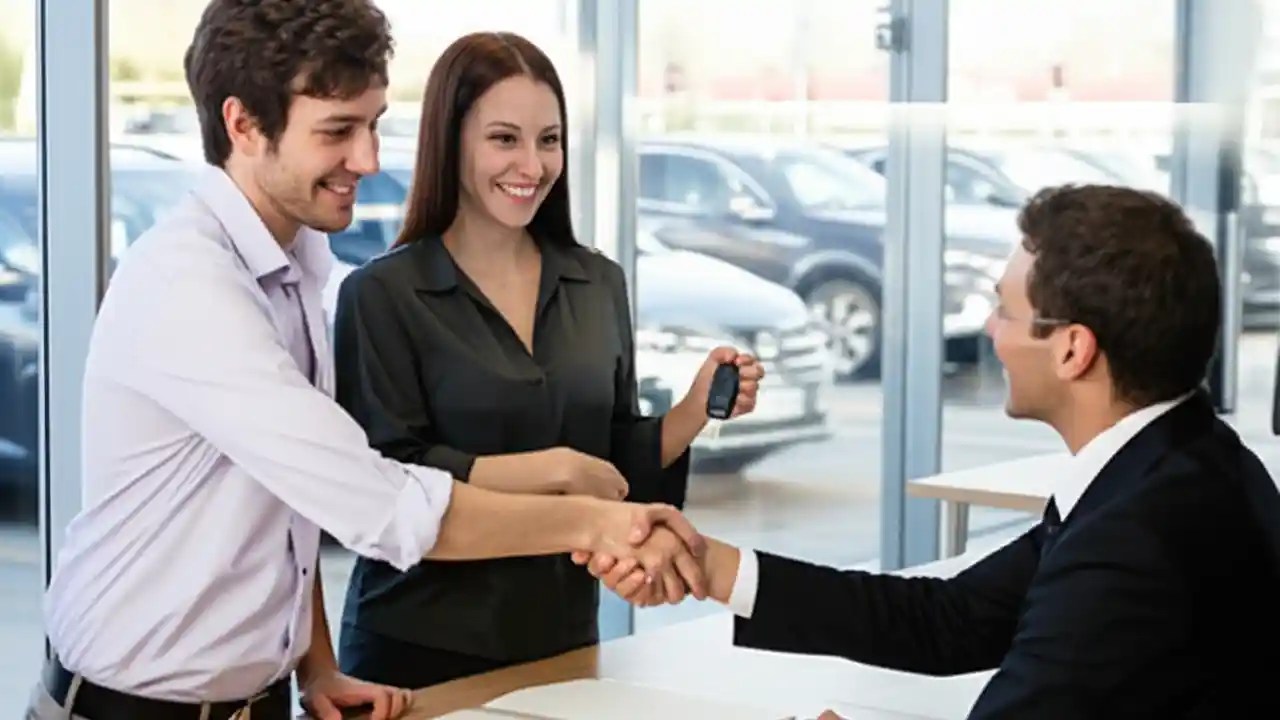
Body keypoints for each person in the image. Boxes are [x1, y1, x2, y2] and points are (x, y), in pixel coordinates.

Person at [27, 3, 706, 720]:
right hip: (125, 709)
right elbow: (376, 503)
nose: (370, 160)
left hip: (260, 703)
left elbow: (290, 502)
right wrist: (591, 524)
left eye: (373, 123)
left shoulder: (295, 270)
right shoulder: (190, 285)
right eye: (337, 131)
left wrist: (317, 669)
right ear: (244, 125)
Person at [579, 184, 1280, 717]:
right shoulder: (1180, 460)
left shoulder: (1136, 541)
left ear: (1073, 349)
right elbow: (949, 621)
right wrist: (711, 566)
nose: (989, 328)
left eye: (1005, 309)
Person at [331, 30, 764, 690]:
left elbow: (615, 467)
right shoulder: (382, 295)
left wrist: (691, 412)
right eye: (504, 139)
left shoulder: (599, 283)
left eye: (549, 139)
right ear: (451, 142)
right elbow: (391, 478)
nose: (532, 164)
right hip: (417, 648)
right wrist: (554, 469)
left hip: (563, 640)